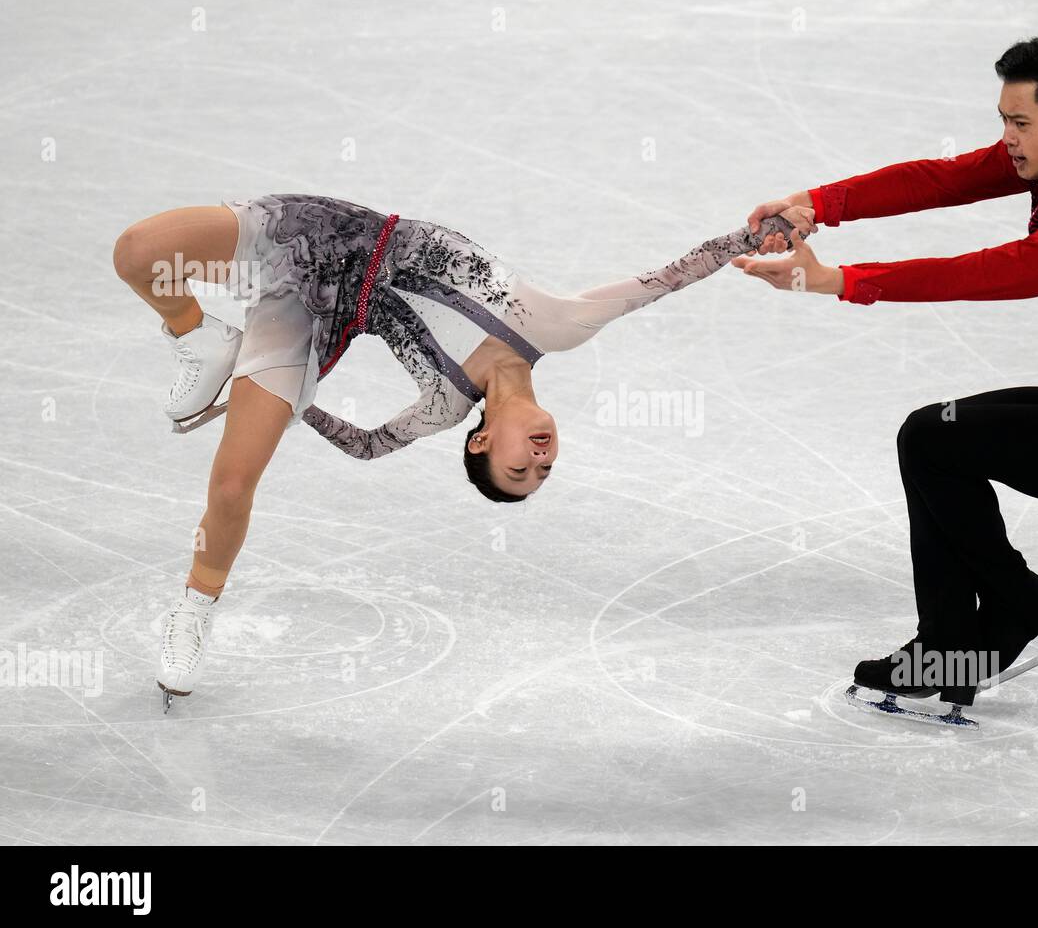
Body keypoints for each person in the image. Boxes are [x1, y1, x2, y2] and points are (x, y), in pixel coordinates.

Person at [112, 194, 797, 707]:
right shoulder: (557, 326)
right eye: (545, 467)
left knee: (233, 484)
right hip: (321, 230)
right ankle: (197, 335)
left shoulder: (443, 407)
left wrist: (291, 404)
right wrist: (749, 235)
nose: (539, 458)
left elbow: (369, 445)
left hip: (307, 312)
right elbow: (665, 279)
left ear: (479, 440)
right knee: (138, 254)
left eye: (520, 471)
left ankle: (194, 611)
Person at [733, 33, 1038, 716]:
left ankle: (1007, 613)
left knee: (932, 440)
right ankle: (969, 639)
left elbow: (980, 273)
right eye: (1004, 119)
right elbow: (946, 177)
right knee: (936, 441)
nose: (1008, 139)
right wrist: (815, 203)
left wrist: (835, 280)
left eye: (1019, 123)